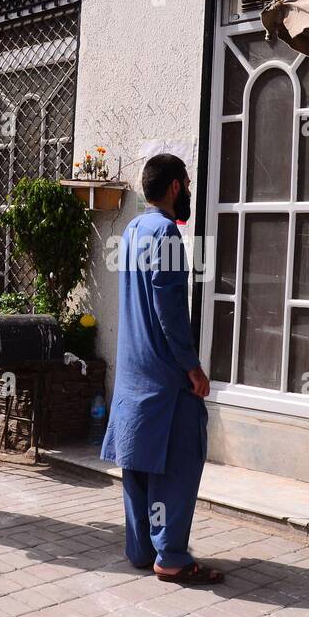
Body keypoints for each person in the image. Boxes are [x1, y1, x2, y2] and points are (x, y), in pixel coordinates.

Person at [103, 154, 221, 585]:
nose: (188, 191)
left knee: (139, 461)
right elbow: (169, 308)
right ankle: (170, 555)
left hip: (135, 371)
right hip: (165, 375)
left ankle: (142, 548)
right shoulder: (166, 232)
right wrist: (192, 368)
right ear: (174, 187)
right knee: (178, 462)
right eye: (186, 184)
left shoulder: (134, 228)